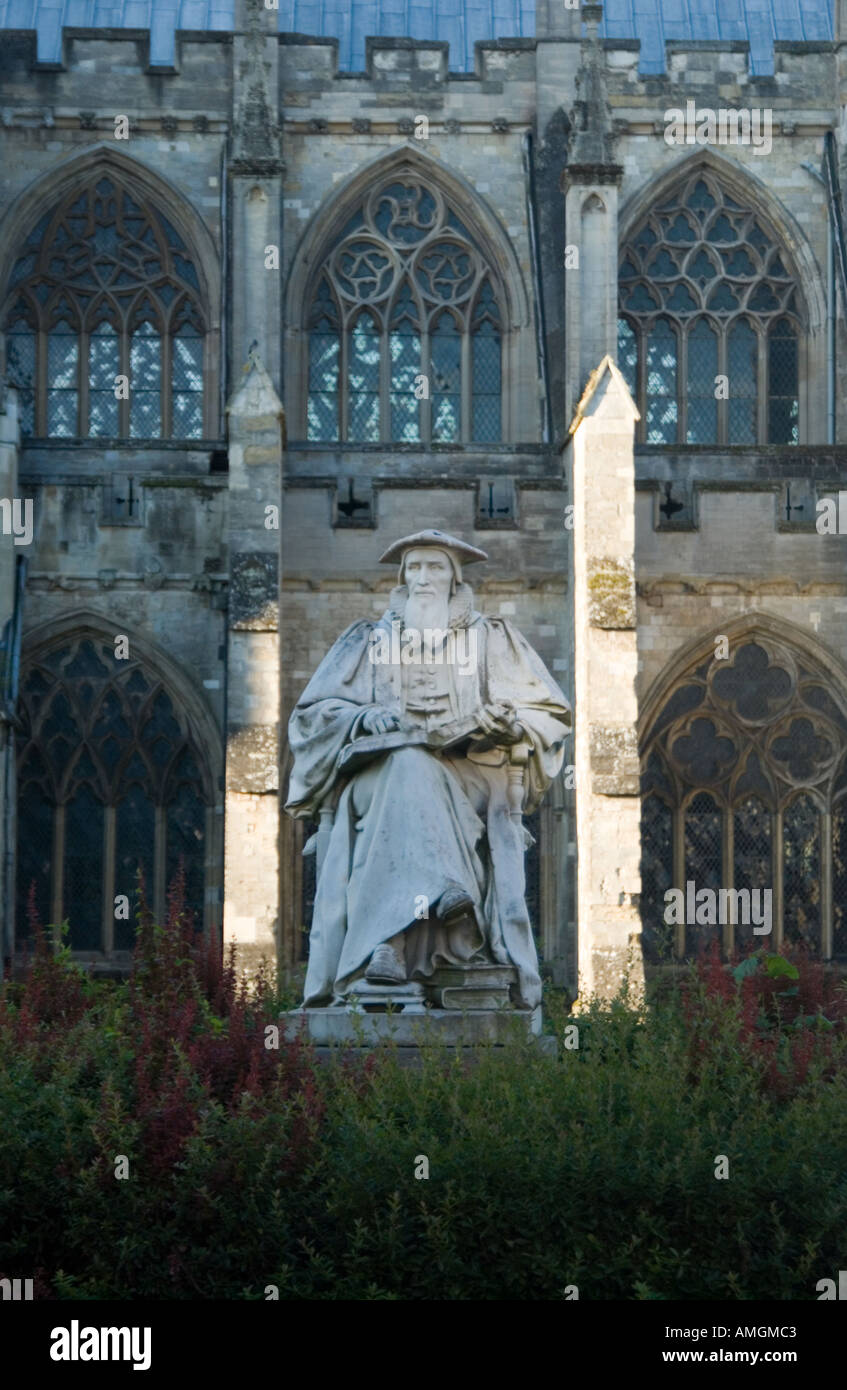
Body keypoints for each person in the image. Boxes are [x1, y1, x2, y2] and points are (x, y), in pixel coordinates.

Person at [285, 529, 571, 1008]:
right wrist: (361, 717)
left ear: (454, 578)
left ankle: (389, 949)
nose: (423, 578)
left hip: (472, 776)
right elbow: (311, 716)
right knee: (409, 763)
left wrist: (507, 724)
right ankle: (442, 899)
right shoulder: (365, 640)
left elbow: (549, 713)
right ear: (402, 578)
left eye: (435, 567)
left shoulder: (492, 639)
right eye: (414, 568)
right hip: (374, 776)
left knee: (416, 766)